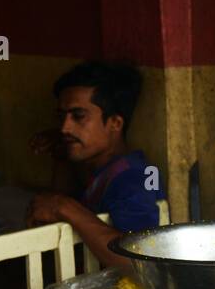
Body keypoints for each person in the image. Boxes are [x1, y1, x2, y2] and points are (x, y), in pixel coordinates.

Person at [26, 60, 161, 270]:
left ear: (115, 123)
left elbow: (140, 258)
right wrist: (61, 155)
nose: (64, 128)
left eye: (78, 116)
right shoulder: (97, 168)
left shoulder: (134, 177)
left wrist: (63, 207)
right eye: (61, 117)